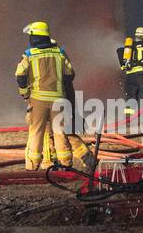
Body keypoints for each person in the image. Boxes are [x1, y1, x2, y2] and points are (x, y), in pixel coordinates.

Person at [17, 20, 90, 171]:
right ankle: (65, 164)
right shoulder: (60, 53)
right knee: (60, 132)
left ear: (34, 36)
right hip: (59, 98)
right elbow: (70, 75)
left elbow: (20, 76)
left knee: (37, 132)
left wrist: (25, 94)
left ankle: (32, 165)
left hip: (38, 99)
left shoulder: (30, 54)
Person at [116, 26, 143, 122]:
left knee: (131, 97)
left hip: (130, 76)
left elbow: (121, 56)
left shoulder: (128, 48)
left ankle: (128, 120)